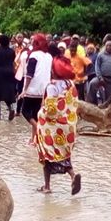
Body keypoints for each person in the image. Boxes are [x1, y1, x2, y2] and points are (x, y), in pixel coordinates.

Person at [36, 45, 82, 195]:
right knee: (63, 154)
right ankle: (73, 175)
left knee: (47, 155)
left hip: (51, 126)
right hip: (67, 126)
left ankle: (47, 186)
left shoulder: (52, 86)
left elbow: (50, 109)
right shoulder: (70, 84)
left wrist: (40, 113)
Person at [21, 34, 53, 146]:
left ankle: (39, 129)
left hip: (33, 88)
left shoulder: (34, 55)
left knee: (25, 111)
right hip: (45, 90)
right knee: (35, 114)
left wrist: (24, 90)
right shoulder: (49, 56)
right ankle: (34, 139)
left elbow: (29, 74)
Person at [92, 40, 111, 105]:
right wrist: (100, 77)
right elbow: (97, 66)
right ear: (105, 46)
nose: (108, 47)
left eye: (110, 45)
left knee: (110, 98)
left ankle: (107, 107)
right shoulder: (101, 54)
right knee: (92, 83)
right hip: (101, 77)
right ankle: (91, 103)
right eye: (107, 45)